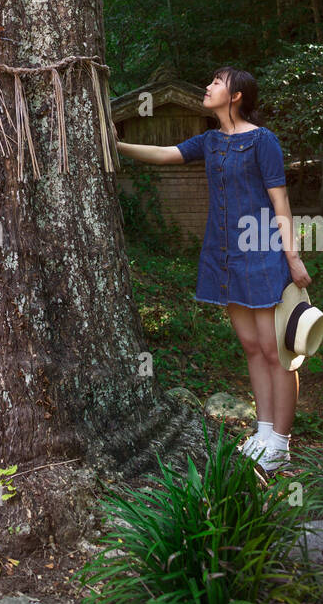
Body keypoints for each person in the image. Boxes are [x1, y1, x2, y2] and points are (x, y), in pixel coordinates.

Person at [112, 66, 310, 474]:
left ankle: (281, 444)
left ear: (236, 95)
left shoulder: (263, 140)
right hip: (224, 256)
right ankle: (263, 431)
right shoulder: (210, 141)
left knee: (278, 353)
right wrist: (118, 147)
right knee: (252, 349)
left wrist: (293, 257)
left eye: (217, 83)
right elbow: (166, 155)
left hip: (262, 251)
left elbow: (281, 204)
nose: (208, 86)